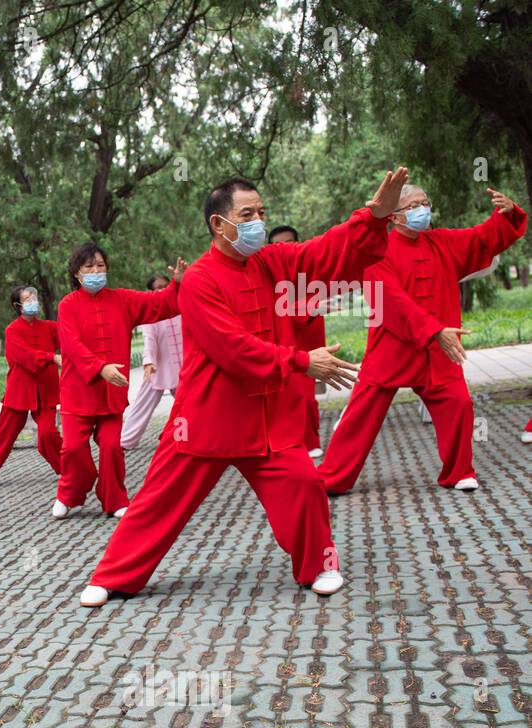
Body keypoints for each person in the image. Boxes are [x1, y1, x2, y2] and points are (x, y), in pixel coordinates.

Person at [79, 168, 411, 608]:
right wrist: (301, 361)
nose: (258, 220)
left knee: (304, 485)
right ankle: (112, 575)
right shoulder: (198, 279)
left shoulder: (272, 262)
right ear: (219, 224)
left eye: (261, 212)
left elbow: (323, 253)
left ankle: (320, 563)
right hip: (205, 420)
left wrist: (373, 217)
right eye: (247, 213)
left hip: (267, 420)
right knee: (158, 501)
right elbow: (233, 349)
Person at [318, 185, 527, 494]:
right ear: (394, 216)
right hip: (393, 350)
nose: (422, 209)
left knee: (459, 403)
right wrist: (434, 330)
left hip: (438, 350)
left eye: (425, 203)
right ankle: (330, 479)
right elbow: (391, 301)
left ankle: (458, 472)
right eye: (413, 205)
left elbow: (480, 238)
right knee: (359, 417)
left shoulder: (442, 241)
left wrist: (506, 215)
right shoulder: (376, 251)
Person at [52, 244, 184, 519]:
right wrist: (99, 368)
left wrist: (178, 285)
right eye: (89, 267)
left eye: (100, 265)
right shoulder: (67, 305)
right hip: (78, 393)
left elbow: (160, 304)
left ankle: (114, 500)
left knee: (113, 447)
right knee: (73, 449)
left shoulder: (122, 300)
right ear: (77, 273)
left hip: (112, 391)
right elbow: (72, 345)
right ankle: (71, 492)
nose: (96, 271)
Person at [0, 285, 61, 490]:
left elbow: (70, 339)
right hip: (20, 390)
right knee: (4, 435)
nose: (33, 301)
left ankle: (67, 470)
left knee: (47, 434)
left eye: (34, 297)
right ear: (17, 305)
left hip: (45, 389)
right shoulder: (12, 330)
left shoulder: (49, 327)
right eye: (28, 299)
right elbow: (24, 356)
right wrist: (51, 357)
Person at [268, 224, 326, 458]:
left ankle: (311, 442)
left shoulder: (307, 273)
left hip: (308, 347)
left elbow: (314, 302)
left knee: (307, 400)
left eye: (290, 242)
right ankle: (285, 441)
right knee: (282, 400)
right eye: (278, 244)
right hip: (278, 348)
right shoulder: (267, 275)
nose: (285, 247)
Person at [119, 275, 183, 451]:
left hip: (183, 368)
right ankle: (126, 440)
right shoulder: (152, 311)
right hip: (156, 367)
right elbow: (149, 339)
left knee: (188, 406)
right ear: (151, 292)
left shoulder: (180, 304)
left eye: (165, 286)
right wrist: (148, 361)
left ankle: (182, 438)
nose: (162, 290)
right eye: (157, 288)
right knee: (142, 405)